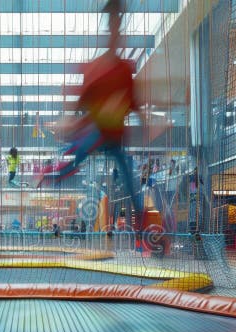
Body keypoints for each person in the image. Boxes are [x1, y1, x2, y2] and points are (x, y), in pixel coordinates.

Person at [37, 0, 161, 233]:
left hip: (109, 136)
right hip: (101, 133)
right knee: (83, 155)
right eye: (114, 24)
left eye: (118, 24)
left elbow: (133, 102)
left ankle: (142, 223)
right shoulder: (100, 68)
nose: (117, 33)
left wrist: (146, 124)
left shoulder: (122, 70)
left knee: (124, 173)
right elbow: (84, 101)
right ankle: (52, 175)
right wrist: (71, 119)